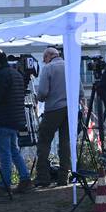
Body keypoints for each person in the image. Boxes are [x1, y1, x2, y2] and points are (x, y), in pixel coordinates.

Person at [0, 48, 33, 195]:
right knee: (14, 151)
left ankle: (4, 185)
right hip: (15, 119)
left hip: (2, 119)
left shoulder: (1, 75)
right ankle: (25, 180)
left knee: (4, 155)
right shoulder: (16, 73)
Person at [32, 47, 71, 188]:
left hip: (54, 109)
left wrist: (39, 98)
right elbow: (78, 90)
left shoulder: (48, 68)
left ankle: (43, 177)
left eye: (44, 58)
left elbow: (42, 92)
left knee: (43, 141)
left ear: (49, 56)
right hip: (70, 109)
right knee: (65, 143)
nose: (43, 61)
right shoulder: (70, 66)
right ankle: (64, 177)